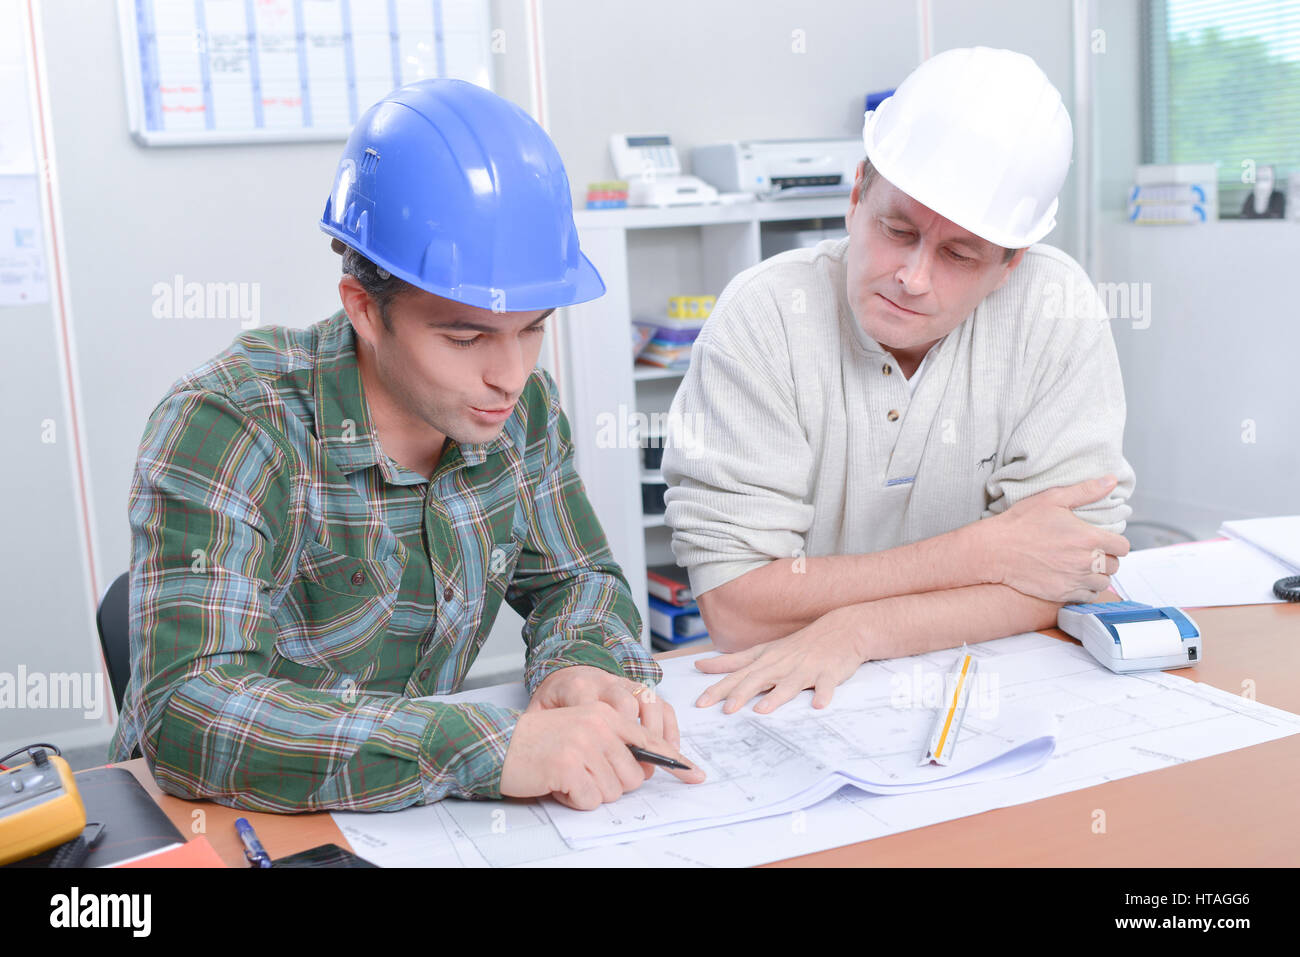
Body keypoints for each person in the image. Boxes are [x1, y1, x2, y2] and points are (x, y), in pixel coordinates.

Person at [108, 79, 704, 812]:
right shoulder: (230, 425)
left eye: (533, 328)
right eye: (467, 336)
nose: (510, 376)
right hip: (221, 820)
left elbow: (577, 579)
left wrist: (577, 663)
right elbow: (189, 713)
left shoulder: (523, 412)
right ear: (363, 308)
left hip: (417, 821)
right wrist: (482, 744)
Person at [662, 48, 1136, 714]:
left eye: (958, 254)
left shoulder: (1053, 307)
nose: (913, 276)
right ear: (858, 195)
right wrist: (984, 553)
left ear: (1008, 265)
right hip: (800, 696)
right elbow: (740, 609)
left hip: (1005, 690)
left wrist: (863, 628)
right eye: (897, 228)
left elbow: (1075, 571)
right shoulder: (763, 320)